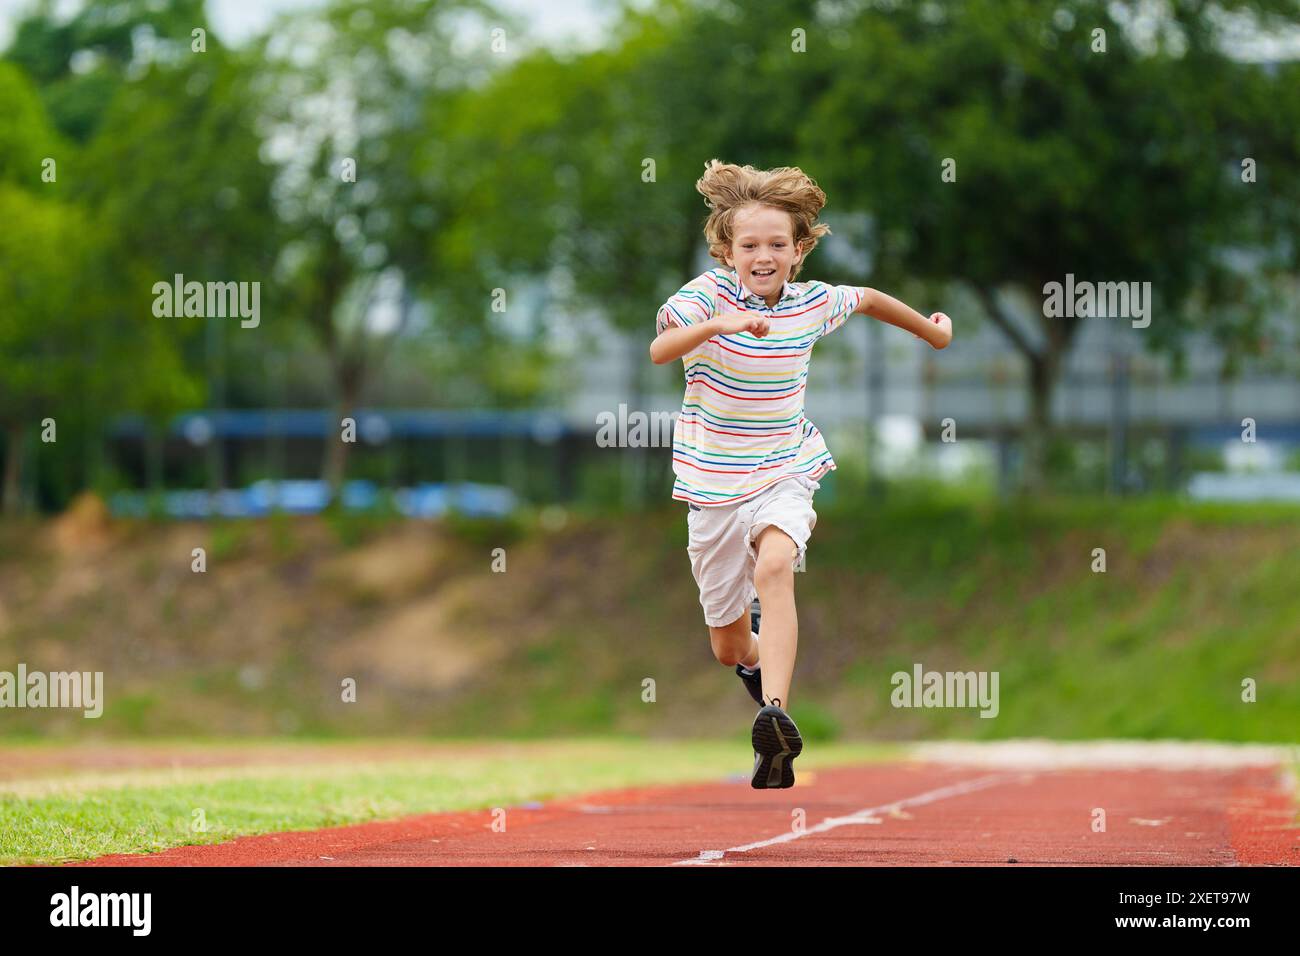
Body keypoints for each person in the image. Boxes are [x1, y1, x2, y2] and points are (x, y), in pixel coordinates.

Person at [649, 159, 952, 788]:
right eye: (750, 244)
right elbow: (659, 351)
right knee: (729, 647)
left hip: (785, 466)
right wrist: (719, 324)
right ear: (727, 250)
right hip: (712, 488)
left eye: (778, 244)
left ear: (799, 250)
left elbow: (866, 298)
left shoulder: (813, 302)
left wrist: (932, 333)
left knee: (776, 566)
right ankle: (755, 669)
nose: (763, 255)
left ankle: (775, 717)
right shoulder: (701, 298)